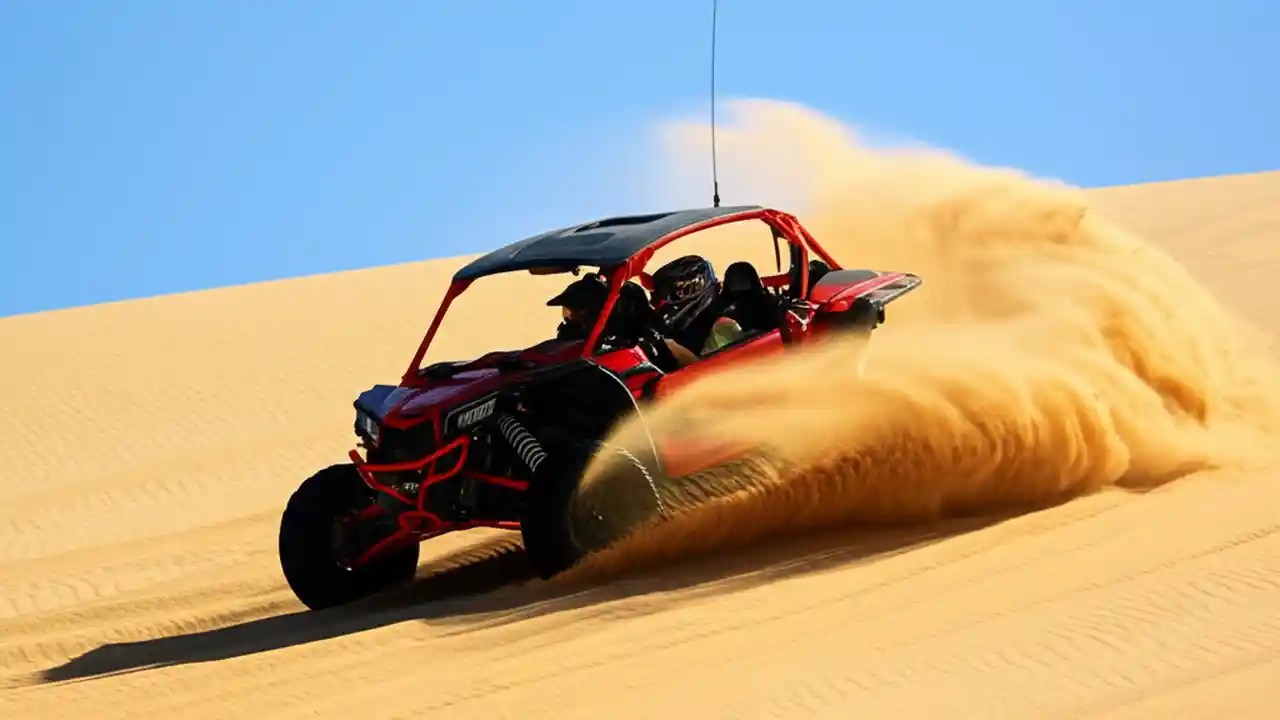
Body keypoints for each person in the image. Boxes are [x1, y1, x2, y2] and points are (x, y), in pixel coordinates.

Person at [545, 272, 609, 341]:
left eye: (570, 310)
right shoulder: (569, 335)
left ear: (585, 311)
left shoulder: (597, 340)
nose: (567, 317)